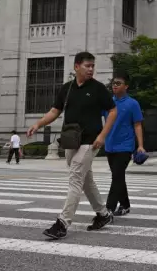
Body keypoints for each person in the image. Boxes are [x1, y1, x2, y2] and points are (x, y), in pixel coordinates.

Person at [27, 51, 117, 240]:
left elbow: (113, 111)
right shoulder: (67, 88)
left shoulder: (99, 88)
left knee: (76, 177)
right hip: (71, 140)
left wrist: (102, 135)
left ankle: (62, 223)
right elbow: (54, 111)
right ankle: (103, 214)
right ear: (77, 67)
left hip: (91, 141)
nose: (91, 69)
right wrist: (38, 124)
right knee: (85, 179)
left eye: (93, 66)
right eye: (87, 65)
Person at [103, 72, 145, 216]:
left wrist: (140, 145)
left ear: (126, 86)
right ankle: (125, 205)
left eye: (118, 83)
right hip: (109, 145)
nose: (115, 85)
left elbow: (137, 125)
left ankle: (108, 209)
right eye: (113, 83)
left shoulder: (133, 104)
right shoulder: (108, 102)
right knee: (118, 177)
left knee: (117, 176)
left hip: (126, 146)